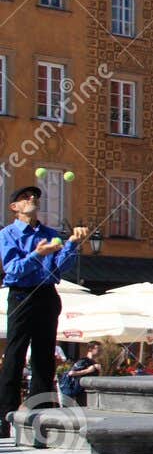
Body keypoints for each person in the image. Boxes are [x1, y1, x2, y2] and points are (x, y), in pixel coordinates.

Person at [1, 186, 90, 437]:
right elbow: (13, 269)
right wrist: (37, 254)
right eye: (25, 197)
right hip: (20, 295)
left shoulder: (50, 234)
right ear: (14, 208)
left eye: (34, 197)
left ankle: (39, 416)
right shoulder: (8, 234)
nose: (32, 199)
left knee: (44, 357)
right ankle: (3, 418)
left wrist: (72, 243)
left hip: (46, 295)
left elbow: (59, 269)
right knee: (14, 355)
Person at [58, 342, 102, 407]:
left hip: (89, 391)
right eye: (98, 348)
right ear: (90, 349)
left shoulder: (94, 362)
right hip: (81, 392)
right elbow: (71, 373)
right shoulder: (83, 361)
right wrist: (88, 370)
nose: (100, 351)